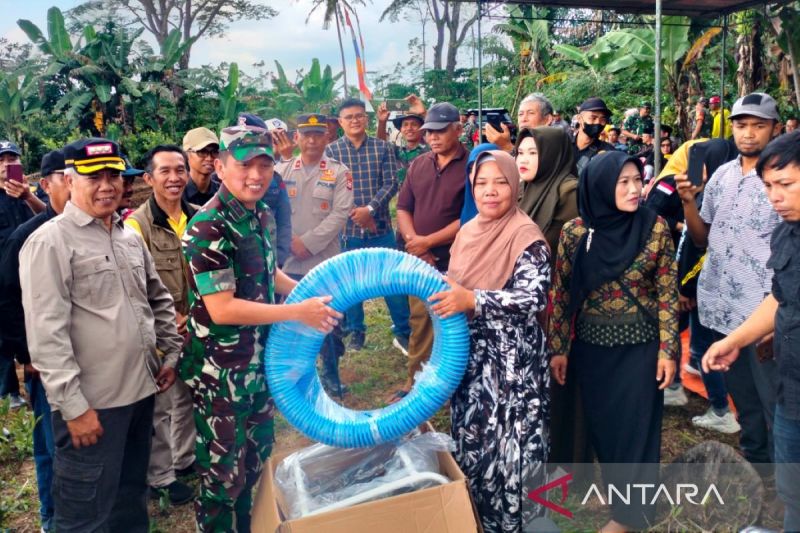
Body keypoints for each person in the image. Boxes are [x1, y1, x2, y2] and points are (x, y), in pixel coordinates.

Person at [181, 124, 341, 532]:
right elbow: (222, 308)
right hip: (221, 376)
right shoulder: (207, 226)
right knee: (222, 476)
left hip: (259, 366)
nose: (255, 174)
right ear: (219, 166)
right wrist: (295, 313)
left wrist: (310, 293)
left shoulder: (262, 215)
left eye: (264, 165)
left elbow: (272, 278)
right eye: (244, 164)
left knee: (255, 461)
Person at [19, 138, 184, 532]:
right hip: (93, 406)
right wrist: (74, 409)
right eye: (94, 176)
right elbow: (47, 335)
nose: (106, 185)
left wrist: (171, 355)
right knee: (84, 516)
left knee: (128, 501)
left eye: (113, 175)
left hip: (140, 395)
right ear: (70, 180)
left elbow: (157, 298)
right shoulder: (50, 242)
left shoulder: (127, 236)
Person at [549, 151, 678, 531]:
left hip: (640, 348)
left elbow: (668, 293)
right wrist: (559, 348)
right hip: (591, 349)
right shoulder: (576, 232)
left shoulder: (654, 227)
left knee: (636, 429)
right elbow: (561, 294)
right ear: (601, 186)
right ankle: (620, 490)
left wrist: (669, 350)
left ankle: (629, 517)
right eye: (623, 182)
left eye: (638, 180)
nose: (635, 189)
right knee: (604, 426)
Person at [431, 150, 550, 533]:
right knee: (474, 441)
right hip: (471, 357)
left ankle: (516, 524)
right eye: (481, 183)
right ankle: (477, 520)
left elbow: (533, 297)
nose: (490, 191)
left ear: (515, 186)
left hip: (511, 363)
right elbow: (452, 282)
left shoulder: (525, 235)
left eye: (500, 182)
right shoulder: (468, 231)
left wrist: (474, 299)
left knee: (509, 447)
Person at [677, 92, 783, 472]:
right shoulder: (722, 174)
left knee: (776, 403)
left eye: (758, 125)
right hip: (723, 311)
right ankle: (760, 473)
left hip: (765, 317)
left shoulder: (781, 180)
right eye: (741, 125)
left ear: (776, 128)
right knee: (746, 402)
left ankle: (786, 488)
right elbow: (702, 237)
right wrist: (689, 201)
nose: (749, 134)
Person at [703, 131, 800, 532]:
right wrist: (734, 340)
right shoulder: (786, 232)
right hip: (792, 391)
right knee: (793, 491)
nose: (775, 197)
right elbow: (779, 298)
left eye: (787, 185)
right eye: (769, 187)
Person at [0, 149, 70, 532]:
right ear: (46, 185)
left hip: (77, 358)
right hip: (42, 363)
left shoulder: (94, 228)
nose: (75, 185)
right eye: (65, 177)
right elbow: (9, 301)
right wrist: (27, 355)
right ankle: (51, 517)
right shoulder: (28, 237)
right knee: (50, 445)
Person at [125, 145, 197, 506]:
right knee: (161, 406)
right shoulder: (135, 226)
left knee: (186, 399)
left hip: (196, 329)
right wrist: (174, 323)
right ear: (149, 178)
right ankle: (161, 477)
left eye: (180, 170)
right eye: (165, 171)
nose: (174, 178)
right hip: (161, 334)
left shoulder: (198, 216)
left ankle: (184, 460)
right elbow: (136, 290)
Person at [276, 113, 353, 396]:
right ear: (296, 138)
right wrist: (288, 244)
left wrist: (307, 242)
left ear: (327, 137)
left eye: (317, 134)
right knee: (291, 320)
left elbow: (340, 214)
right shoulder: (281, 171)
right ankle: (295, 376)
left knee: (329, 321)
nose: (311, 140)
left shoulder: (339, 172)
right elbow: (269, 213)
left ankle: (331, 375)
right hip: (288, 263)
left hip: (323, 260)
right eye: (305, 134)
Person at [394, 103, 467, 402]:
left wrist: (429, 242)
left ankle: (456, 384)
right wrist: (415, 242)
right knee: (420, 319)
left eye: (440, 131)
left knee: (456, 324)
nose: (432, 137)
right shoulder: (419, 164)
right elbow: (403, 208)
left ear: (458, 129)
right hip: (419, 258)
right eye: (429, 132)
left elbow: (469, 216)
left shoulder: (472, 164)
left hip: (458, 260)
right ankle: (415, 382)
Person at [325, 98, 410, 351]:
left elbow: (391, 183)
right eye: (349, 117)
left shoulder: (382, 148)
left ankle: (404, 329)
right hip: (347, 231)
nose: (355, 120)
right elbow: (329, 188)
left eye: (359, 116)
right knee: (351, 284)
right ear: (340, 122)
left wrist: (370, 209)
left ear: (367, 118)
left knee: (392, 281)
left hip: (381, 228)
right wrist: (352, 212)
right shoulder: (332, 152)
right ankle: (356, 330)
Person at [0, 140, 45, 408]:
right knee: (5, 335)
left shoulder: (31, 194)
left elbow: (52, 216)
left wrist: (28, 195)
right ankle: (9, 393)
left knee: (34, 332)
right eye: (2, 160)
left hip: (35, 274)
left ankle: (33, 387)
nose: (8, 164)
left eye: (12, 159)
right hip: (4, 280)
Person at [516, 126, 579, 257]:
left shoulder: (569, 191)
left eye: (533, 153)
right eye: (520, 153)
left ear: (552, 155)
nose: (523, 159)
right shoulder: (525, 186)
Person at [485, 92, 554, 152]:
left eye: (531, 113)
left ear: (547, 119)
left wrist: (507, 147)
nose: (523, 119)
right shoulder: (521, 142)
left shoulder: (554, 143)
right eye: (520, 114)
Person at [573, 97, 615, 175]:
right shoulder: (563, 145)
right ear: (579, 119)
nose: (598, 122)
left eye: (603, 119)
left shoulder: (608, 152)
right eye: (593, 118)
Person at [183, 127, 220, 205]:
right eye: (202, 152)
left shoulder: (222, 193)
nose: (209, 158)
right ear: (187, 155)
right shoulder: (178, 194)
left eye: (214, 152)